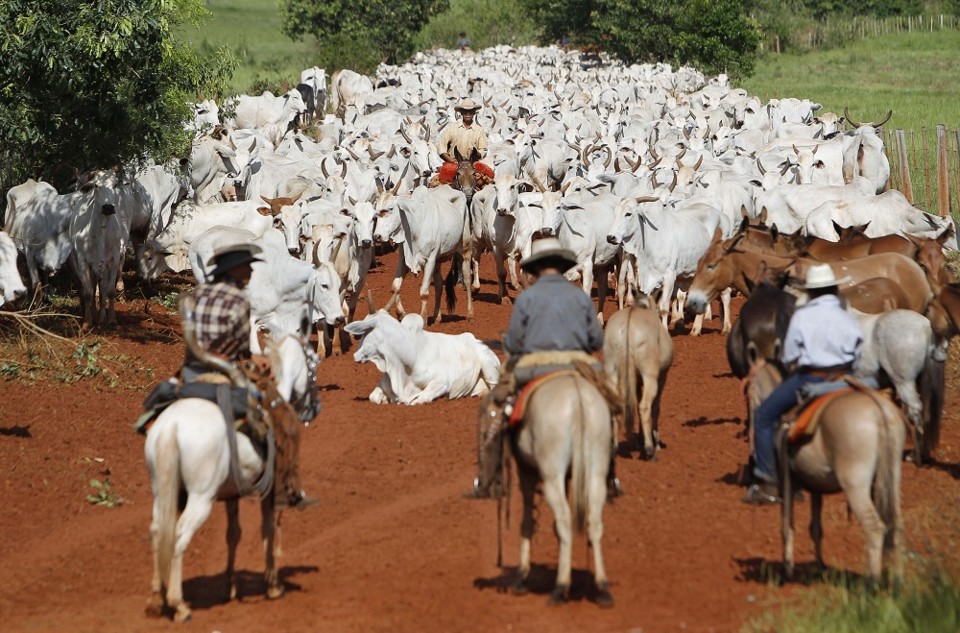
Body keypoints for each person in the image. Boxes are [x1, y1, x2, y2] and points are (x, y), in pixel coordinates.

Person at [184, 242, 318, 510]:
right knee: (284, 420)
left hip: (191, 372)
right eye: (247, 267)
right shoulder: (238, 300)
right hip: (227, 373)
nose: (250, 273)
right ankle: (284, 490)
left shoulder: (195, 296)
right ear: (233, 270)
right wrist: (261, 360)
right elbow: (240, 347)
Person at [494, 237, 622, 497]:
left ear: (536, 268)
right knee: (610, 405)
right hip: (579, 365)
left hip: (534, 367)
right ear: (562, 265)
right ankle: (610, 475)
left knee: (497, 409)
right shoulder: (579, 296)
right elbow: (596, 339)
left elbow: (516, 341)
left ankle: (490, 477)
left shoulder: (527, 298)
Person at [742, 263, 863, 505]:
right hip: (847, 378)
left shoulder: (803, 316)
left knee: (765, 416)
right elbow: (859, 351)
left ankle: (768, 481)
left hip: (812, 377)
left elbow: (789, 357)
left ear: (812, 292)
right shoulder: (845, 315)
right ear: (833, 289)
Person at [435, 98, 495, 186]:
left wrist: (476, 154)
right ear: (461, 113)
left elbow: (483, 150)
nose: (468, 114)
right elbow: (441, 146)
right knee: (440, 182)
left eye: (471, 111)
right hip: (454, 163)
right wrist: (450, 160)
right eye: (465, 111)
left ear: (474, 113)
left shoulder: (479, 130)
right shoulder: (452, 127)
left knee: (489, 175)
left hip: (473, 163)